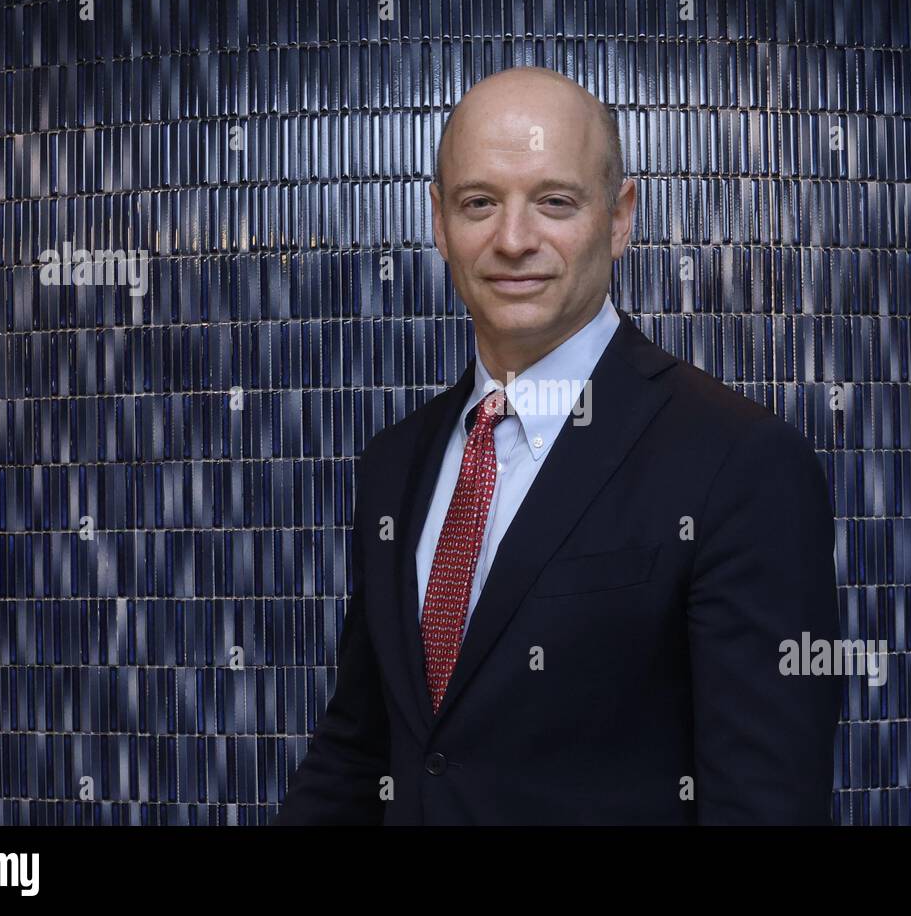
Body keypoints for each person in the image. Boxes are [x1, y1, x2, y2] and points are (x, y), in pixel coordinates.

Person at [276, 66, 841, 825]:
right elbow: (357, 752)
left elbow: (765, 808)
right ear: (439, 222)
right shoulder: (394, 464)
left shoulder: (741, 462)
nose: (513, 240)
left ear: (618, 217)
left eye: (555, 201)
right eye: (479, 202)